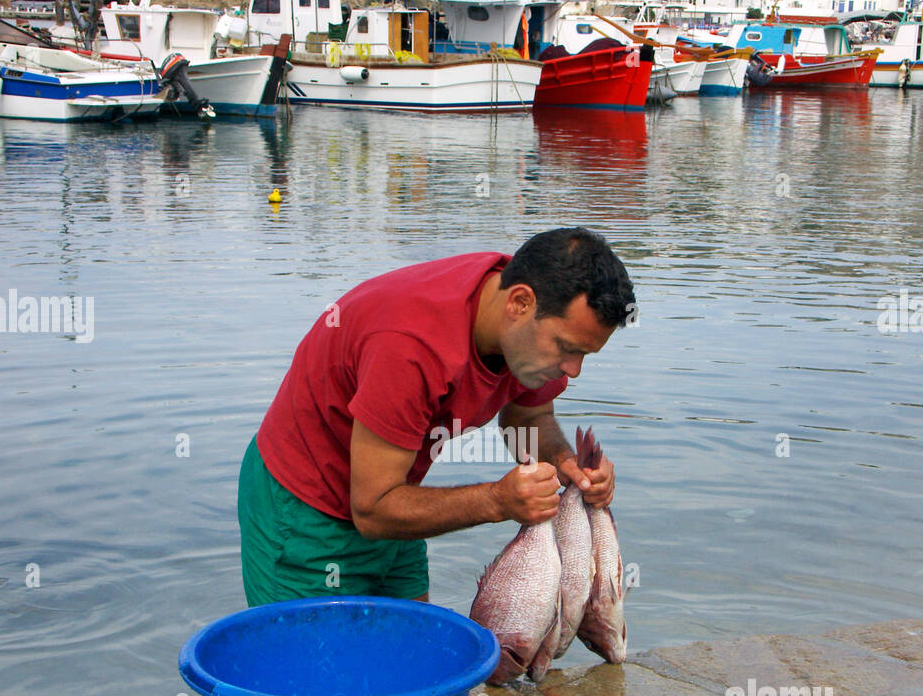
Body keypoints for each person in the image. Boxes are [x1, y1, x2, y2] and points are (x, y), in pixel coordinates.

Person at [238, 227, 636, 607]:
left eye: (584, 354)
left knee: (412, 655)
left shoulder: (526, 330)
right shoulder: (410, 345)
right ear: (519, 303)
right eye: (567, 348)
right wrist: (497, 501)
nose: (574, 370)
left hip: (396, 494)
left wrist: (566, 466)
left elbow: (528, 419)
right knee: (311, 668)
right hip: (306, 509)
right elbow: (372, 510)